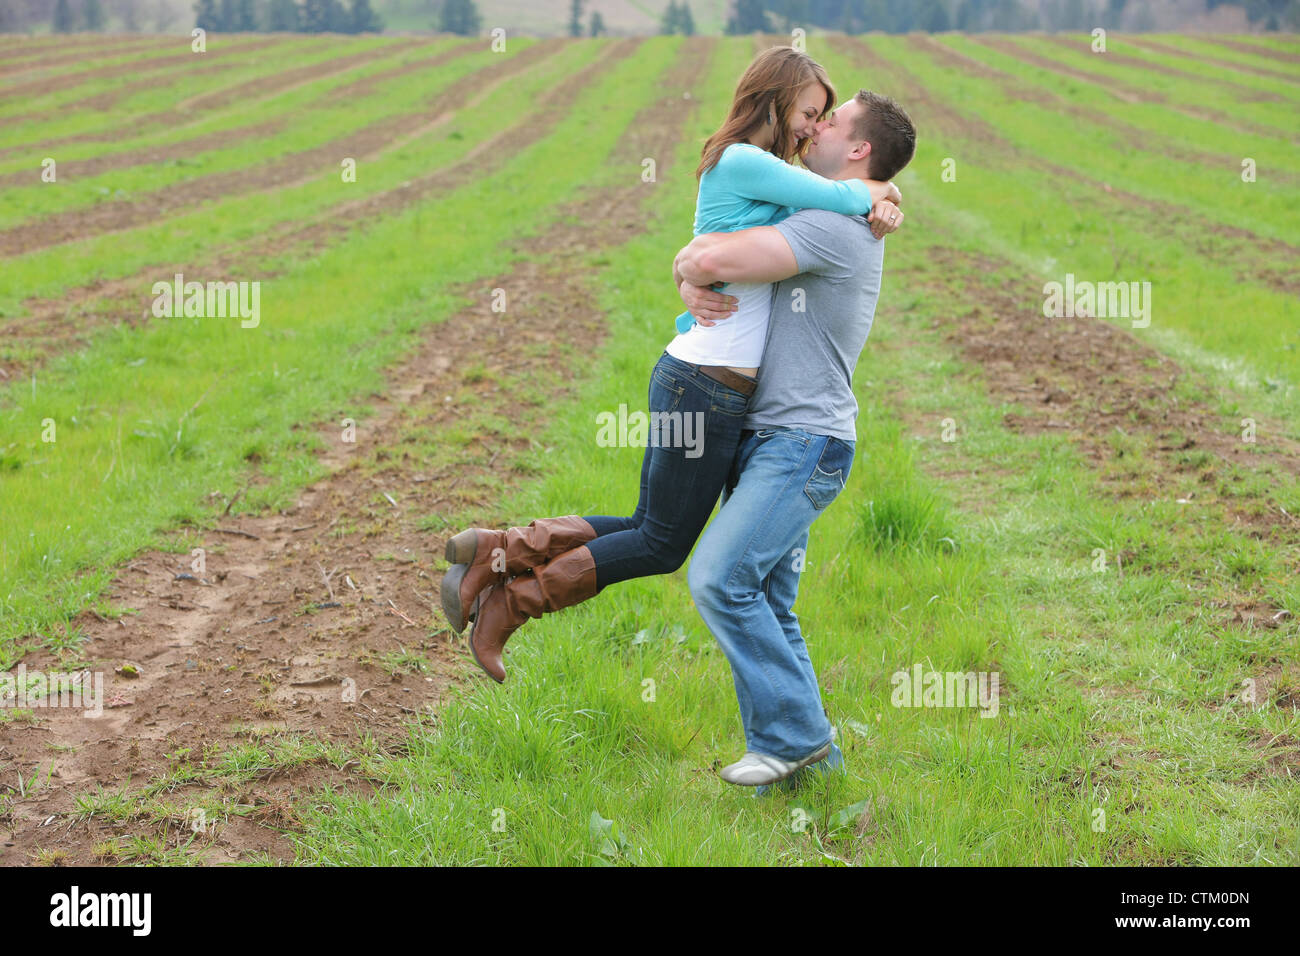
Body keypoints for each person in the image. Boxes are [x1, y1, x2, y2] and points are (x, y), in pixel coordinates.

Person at [439, 47, 904, 684]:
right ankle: (510, 606)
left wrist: (875, 192)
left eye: (825, 118)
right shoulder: (748, 162)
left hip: (702, 379)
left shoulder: (763, 170)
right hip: (706, 385)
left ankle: (502, 552)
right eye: (809, 111)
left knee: (648, 528)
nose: (813, 128)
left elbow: (799, 210)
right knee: (661, 543)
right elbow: (833, 195)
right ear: (776, 95)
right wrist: (881, 192)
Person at [673, 89, 917, 790]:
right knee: (770, 603)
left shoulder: (836, 228)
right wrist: (691, 277)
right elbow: (710, 262)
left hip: (800, 444)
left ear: (860, 149)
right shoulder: (827, 209)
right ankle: (815, 774)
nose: (814, 128)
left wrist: (690, 269)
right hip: (771, 440)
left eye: (831, 122)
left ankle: (797, 738)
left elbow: (714, 254)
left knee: (720, 578)